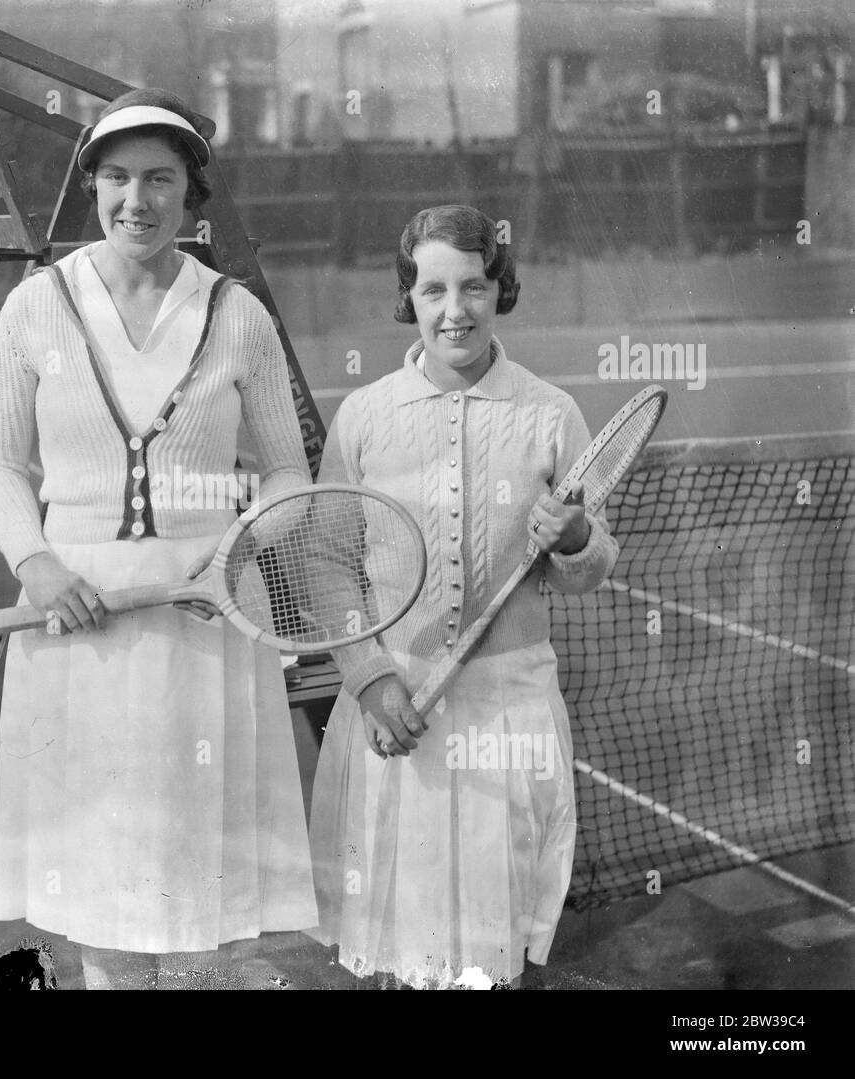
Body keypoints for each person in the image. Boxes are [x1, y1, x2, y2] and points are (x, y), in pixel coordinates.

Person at [0, 88, 317, 989]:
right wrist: (37, 564)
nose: (139, 200)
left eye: (161, 178)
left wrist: (241, 546)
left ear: (191, 193)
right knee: (102, 899)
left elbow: (288, 471)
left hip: (207, 625)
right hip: (76, 632)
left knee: (201, 908)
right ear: (91, 185)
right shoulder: (33, 308)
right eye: (118, 177)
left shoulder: (237, 313)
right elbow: (1, 470)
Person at [308, 204, 619, 989]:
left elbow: (592, 568)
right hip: (393, 711)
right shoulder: (365, 417)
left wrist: (577, 538)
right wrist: (371, 678)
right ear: (408, 295)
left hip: (509, 716)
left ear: (500, 289)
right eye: (433, 288)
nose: (456, 310)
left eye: (475, 286)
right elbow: (327, 563)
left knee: (490, 961)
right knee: (397, 958)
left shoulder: (551, 414)